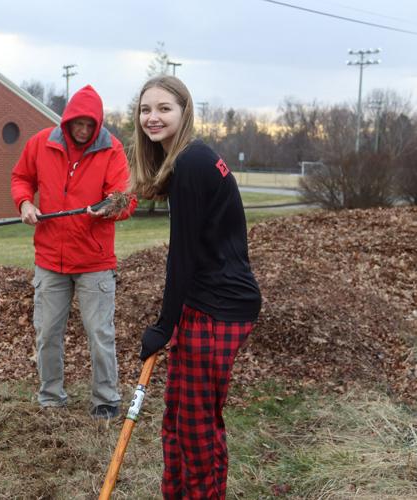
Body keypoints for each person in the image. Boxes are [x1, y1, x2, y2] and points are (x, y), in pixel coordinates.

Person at [131, 75, 261, 499]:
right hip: (207, 301)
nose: (153, 117)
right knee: (178, 419)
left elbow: (181, 256)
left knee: (197, 425)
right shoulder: (192, 158)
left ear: (185, 112)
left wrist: (164, 326)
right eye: (145, 109)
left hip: (219, 308)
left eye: (164, 108)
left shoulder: (191, 163)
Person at [11, 84, 136, 419]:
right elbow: (21, 177)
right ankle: (51, 397)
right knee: (47, 332)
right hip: (50, 260)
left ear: (98, 125)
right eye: (77, 124)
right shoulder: (41, 143)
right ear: (66, 121)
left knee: (100, 333)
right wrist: (25, 203)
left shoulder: (112, 150)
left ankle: (106, 399)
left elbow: (125, 196)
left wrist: (109, 207)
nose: (82, 131)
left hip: (94, 261)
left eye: (89, 125)